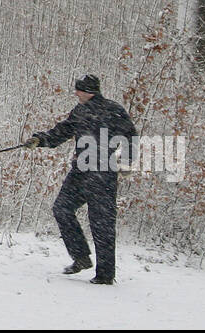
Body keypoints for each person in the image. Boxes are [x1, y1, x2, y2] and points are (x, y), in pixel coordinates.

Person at [24, 75, 137, 285]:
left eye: (79, 90)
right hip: (81, 170)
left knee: (101, 224)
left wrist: (128, 162)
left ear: (89, 91)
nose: (75, 93)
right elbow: (63, 131)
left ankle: (105, 275)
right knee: (61, 209)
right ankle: (81, 257)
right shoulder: (80, 111)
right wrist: (40, 140)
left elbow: (131, 136)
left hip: (103, 172)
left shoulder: (114, 110)